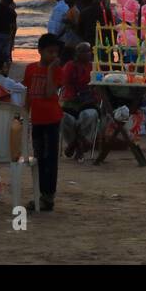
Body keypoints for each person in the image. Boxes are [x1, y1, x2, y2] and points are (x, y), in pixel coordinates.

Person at [24, 35, 64, 211]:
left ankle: (49, 196)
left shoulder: (56, 71)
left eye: (56, 52)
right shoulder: (30, 69)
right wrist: (24, 115)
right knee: (39, 158)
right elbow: (28, 94)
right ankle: (42, 195)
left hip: (52, 120)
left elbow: (49, 93)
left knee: (50, 158)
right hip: (37, 120)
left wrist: (49, 71)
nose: (53, 56)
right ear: (40, 51)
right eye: (50, 52)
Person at [61, 42, 101, 158]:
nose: (88, 54)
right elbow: (65, 84)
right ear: (77, 54)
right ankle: (76, 142)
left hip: (89, 102)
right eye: (84, 51)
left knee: (89, 115)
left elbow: (98, 87)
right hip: (71, 102)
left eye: (89, 51)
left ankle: (78, 143)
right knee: (64, 117)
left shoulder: (94, 67)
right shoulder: (69, 66)